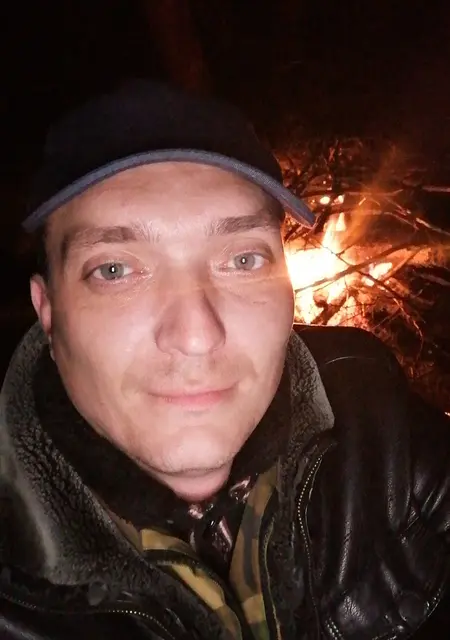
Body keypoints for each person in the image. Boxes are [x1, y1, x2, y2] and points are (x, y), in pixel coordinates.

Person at [0, 80, 449, 640]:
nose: (196, 335)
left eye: (242, 259)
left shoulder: (370, 418)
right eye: (115, 270)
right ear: (47, 311)